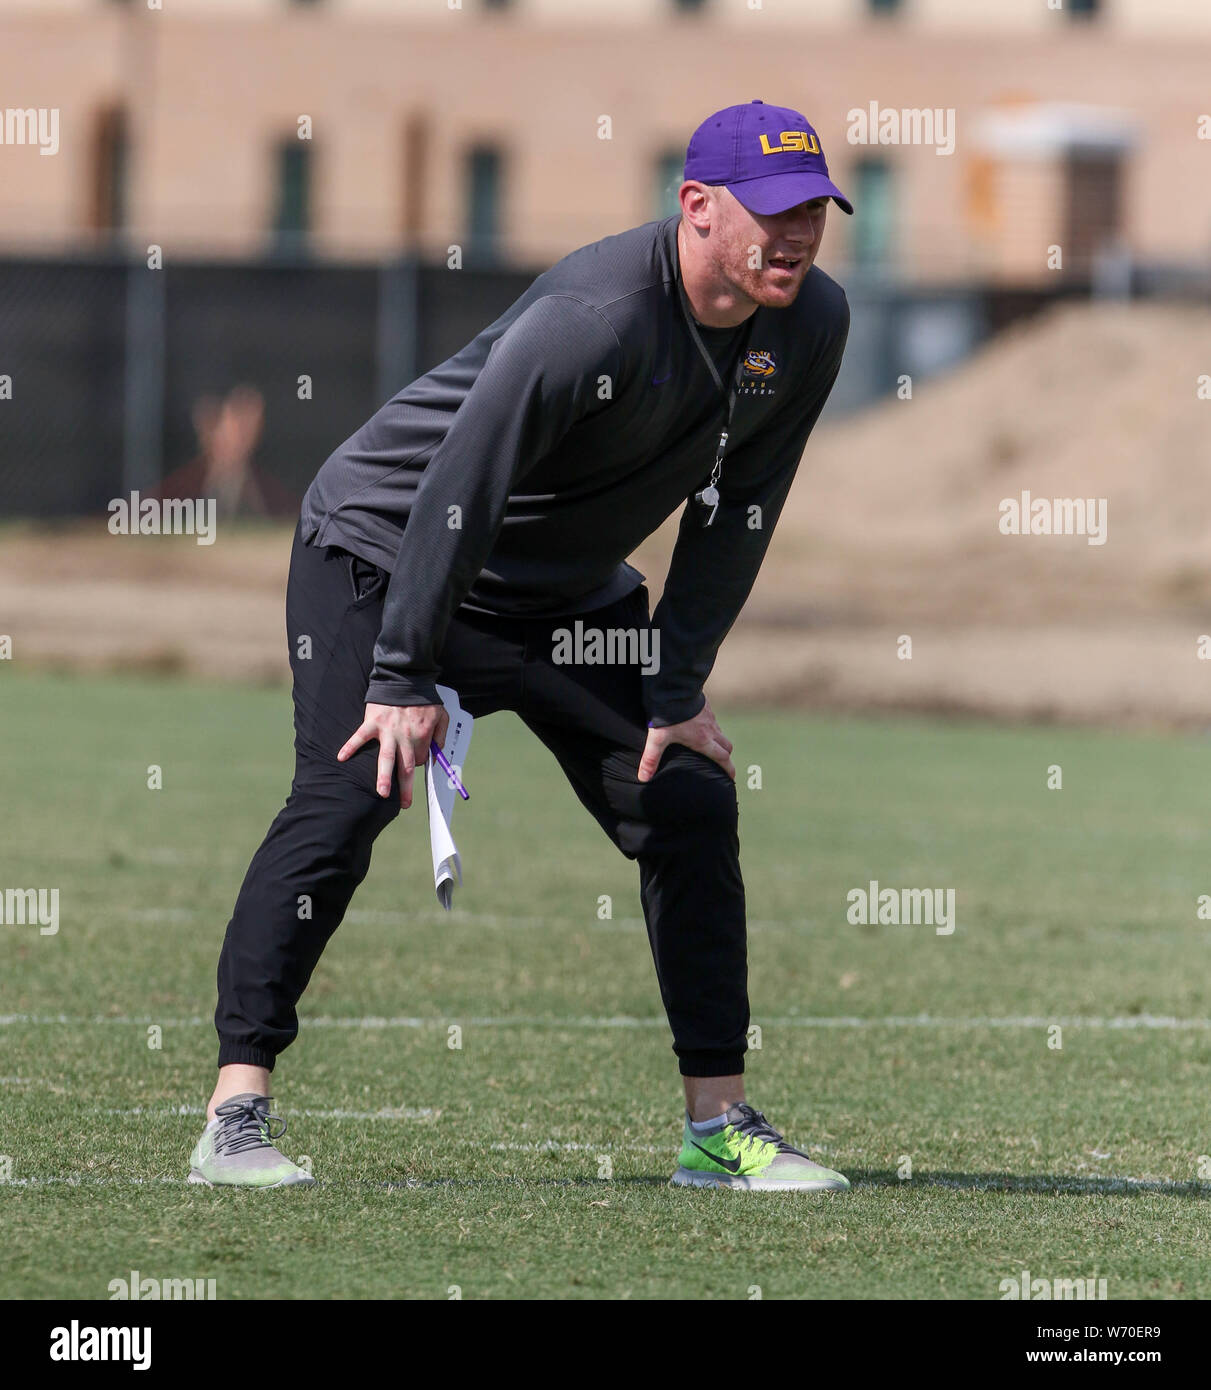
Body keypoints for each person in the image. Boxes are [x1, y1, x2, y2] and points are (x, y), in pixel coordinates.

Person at [188, 100, 854, 1192]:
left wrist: (676, 686)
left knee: (683, 793)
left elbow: (737, 510)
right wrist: (405, 672)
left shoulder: (809, 323)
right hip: (386, 552)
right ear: (695, 207)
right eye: (770, 210)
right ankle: (235, 1114)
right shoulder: (593, 318)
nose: (796, 235)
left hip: (562, 597)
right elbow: (459, 488)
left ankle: (716, 1130)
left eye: (811, 212)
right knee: (352, 792)